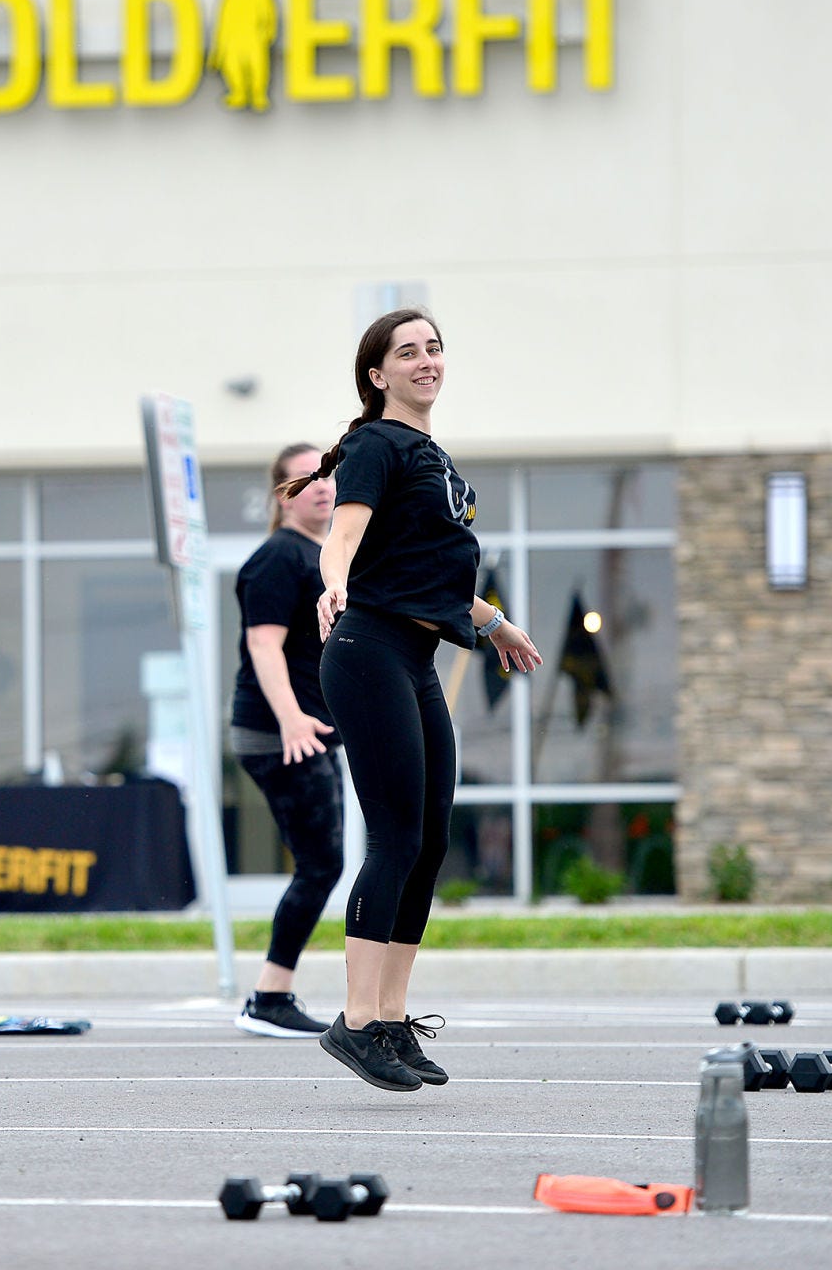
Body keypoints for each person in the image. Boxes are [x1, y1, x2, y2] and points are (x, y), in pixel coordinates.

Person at [283, 306, 541, 1092]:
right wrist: (331, 586)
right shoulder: (375, 443)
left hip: (416, 654)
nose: (425, 360)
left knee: (427, 840)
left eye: (433, 348)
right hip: (368, 649)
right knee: (393, 835)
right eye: (407, 351)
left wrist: (494, 622)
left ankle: (390, 1016)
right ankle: (356, 1020)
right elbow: (346, 537)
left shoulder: (432, 455)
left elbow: (431, 573)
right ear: (376, 374)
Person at [229, 443, 344, 1037]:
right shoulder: (279, 557)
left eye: (327, 475)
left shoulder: (325, 555)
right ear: (283, 494)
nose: (321, 486)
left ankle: (272, 995)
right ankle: (270, 998)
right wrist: (293, 718)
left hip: (311, 732)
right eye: (304, 479)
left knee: (323, 862)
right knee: (322, 862)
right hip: (281, 735)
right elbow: (263, 644)